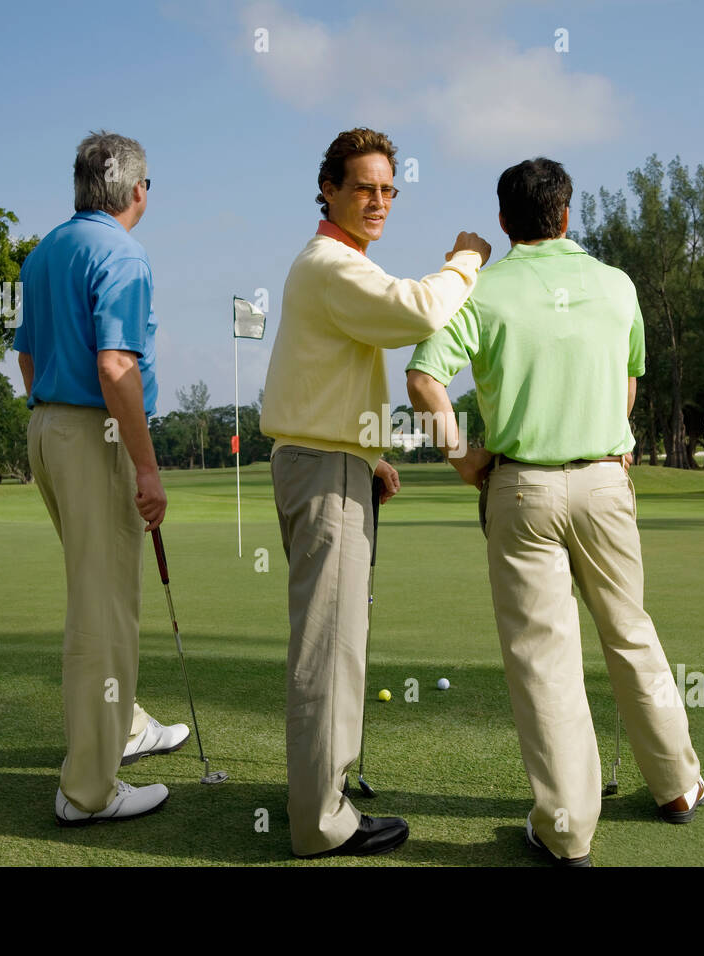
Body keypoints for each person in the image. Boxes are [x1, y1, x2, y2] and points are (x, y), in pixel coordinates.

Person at [406, 157, 704, 867]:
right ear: (566, 215)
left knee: (545, 659)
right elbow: (629, 380)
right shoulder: (617, 284)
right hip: (606, 481)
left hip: (522, 488)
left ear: (505, 221)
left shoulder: (481, 291)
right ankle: (677, 787)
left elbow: (423, 380)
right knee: (631, 632)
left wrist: (461, 459)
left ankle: (568, 831)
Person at [260, 127, 491, 858]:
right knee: (329, 650)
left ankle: (320, 788)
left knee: (336, 642)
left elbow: (337, 378)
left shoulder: (340, 264)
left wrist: (369, 457)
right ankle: (321, 824)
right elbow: (421, 310)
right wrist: (468, 258)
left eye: (389, 189)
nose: (379, 200)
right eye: (364, 187)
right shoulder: (331, 264)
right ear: (327, 189)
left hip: (336, 462)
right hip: (321, 470)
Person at [15, 131, 189, 826]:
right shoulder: (123, 252)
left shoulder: (45, 250)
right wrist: (146, 468)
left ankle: (126, 726)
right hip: (96, 434)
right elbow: (117, 367)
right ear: (137, 190)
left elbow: (27, 359)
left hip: (48, 430)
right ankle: (88, 789)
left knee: (102, 590)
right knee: (104, 607)